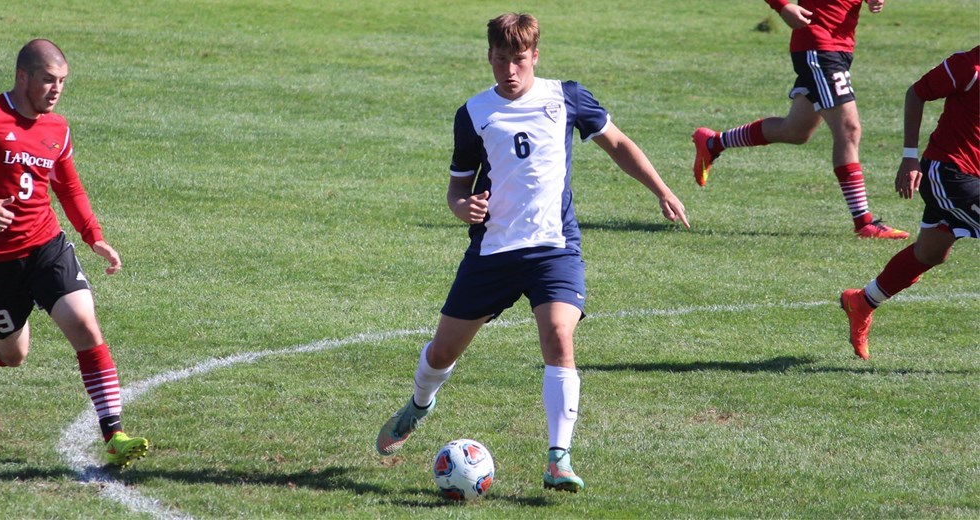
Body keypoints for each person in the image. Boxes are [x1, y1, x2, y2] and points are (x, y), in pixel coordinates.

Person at [375, 13, 690, 493]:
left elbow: (619, 143)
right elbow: (457, 190)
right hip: (494, 253)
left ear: (535, 56)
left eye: (519, 60)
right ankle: (420, 403)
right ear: (489, 57)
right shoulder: (474, 114)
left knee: (560, 336)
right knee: (442, 352)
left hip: (553, 250)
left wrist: (662, 190)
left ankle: (558, 459)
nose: (510, 71)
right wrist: (465, 208)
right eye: (501, 60)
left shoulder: (566, 98)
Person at [0, 39, 148, 469]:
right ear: (23, 78)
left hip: (46, 247)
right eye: (48, 81)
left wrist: (94, 236)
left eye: (63, 82)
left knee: (84, 324)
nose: (56, 90)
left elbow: (68, 186)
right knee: (14, 354)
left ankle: (114, 436)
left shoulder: (58, 129)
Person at [692, 0, 909, 240]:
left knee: (796, 131)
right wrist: (782, 6)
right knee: (848, 130)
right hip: (820, 46)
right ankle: (864, 222)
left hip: (840, 47)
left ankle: (714, 142)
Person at [841, 46, 979, 359]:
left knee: (930, 253)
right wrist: (909, 158)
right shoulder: (966, 67)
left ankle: (862, 301)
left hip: (970, 179)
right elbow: (915, 93)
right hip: (949, 174)